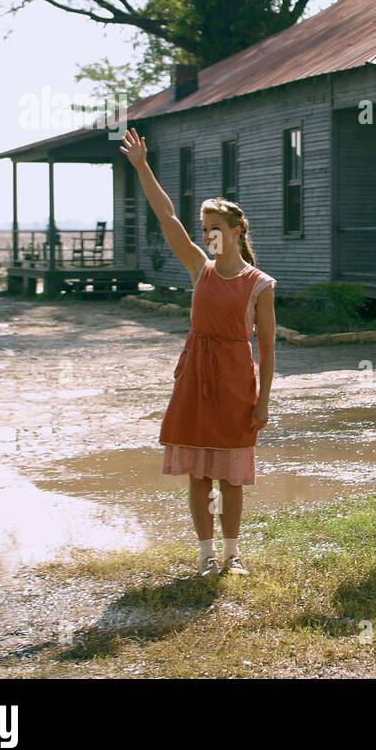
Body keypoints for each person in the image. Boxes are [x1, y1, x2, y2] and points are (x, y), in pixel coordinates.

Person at [120, 127, 277, 578]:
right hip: (194, 376)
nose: (209, 235)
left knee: (230, 474)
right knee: (198, 474)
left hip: (234, 379)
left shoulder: (260, 284)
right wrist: (142, 166)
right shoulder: (198, 268)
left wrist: (263, 400)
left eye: (216, 229)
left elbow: (266, 349)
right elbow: (166, 215)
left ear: (236, 230)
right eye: (205, 229)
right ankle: (206, 556)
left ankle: (232, 555)